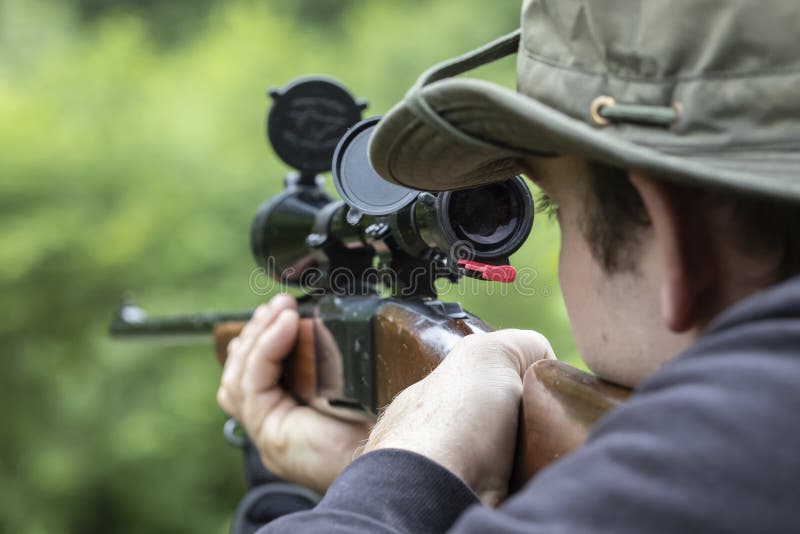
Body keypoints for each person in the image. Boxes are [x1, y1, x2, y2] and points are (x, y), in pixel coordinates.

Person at [217, 0, 800, 531]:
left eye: (555, 207)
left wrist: (403, 473)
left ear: (670, 234)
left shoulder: (698, 473)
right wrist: (354, 469)